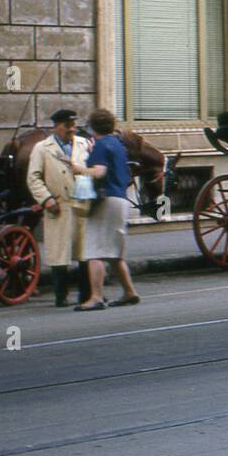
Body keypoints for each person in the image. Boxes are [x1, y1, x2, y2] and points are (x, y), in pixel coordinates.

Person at [72, 109, 140, 311]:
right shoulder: (117, 144)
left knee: (94, 251)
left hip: (105, 200)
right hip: (120, 198)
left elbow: (99, 172)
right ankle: (129, 292)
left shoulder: (100, 145)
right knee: (115, 253)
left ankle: (96, 297)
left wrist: (79, 169)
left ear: (92, 127)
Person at [26, 109, 92, 307]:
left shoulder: (83, 144)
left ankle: (86, 293)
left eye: (73, 125)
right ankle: (60, 295)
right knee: (59, 252)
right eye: (66, 126)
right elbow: (33, 177)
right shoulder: (42, 148)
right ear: (57, 126)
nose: (71, 129)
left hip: (81, 203)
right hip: (58, 204)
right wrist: (46, 199)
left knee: (84, 252)